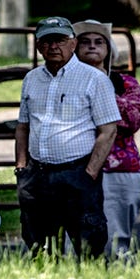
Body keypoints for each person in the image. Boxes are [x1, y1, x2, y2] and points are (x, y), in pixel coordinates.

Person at [14, 16, 119, 260]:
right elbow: (23, 126)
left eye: (60, 40)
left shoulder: (94, 79)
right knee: (38, 247)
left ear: (73, 43)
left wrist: (90, 172)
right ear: (38, 46)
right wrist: (21, 167)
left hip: (77, 173)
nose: (53, 47)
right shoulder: (31, 79)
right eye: (47, 41)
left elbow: (108, 130)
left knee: (88, 246)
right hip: (36, 174)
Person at [73, 19, 140, 260]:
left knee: (118, 239)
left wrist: (96, 92)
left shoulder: (125, 83)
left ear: (109, 49)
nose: (92, 46)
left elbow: (134, 117)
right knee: (75, 239)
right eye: (85, 42)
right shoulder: (63, 83)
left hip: (121, 169)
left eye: (99, 41)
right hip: (75, 168)